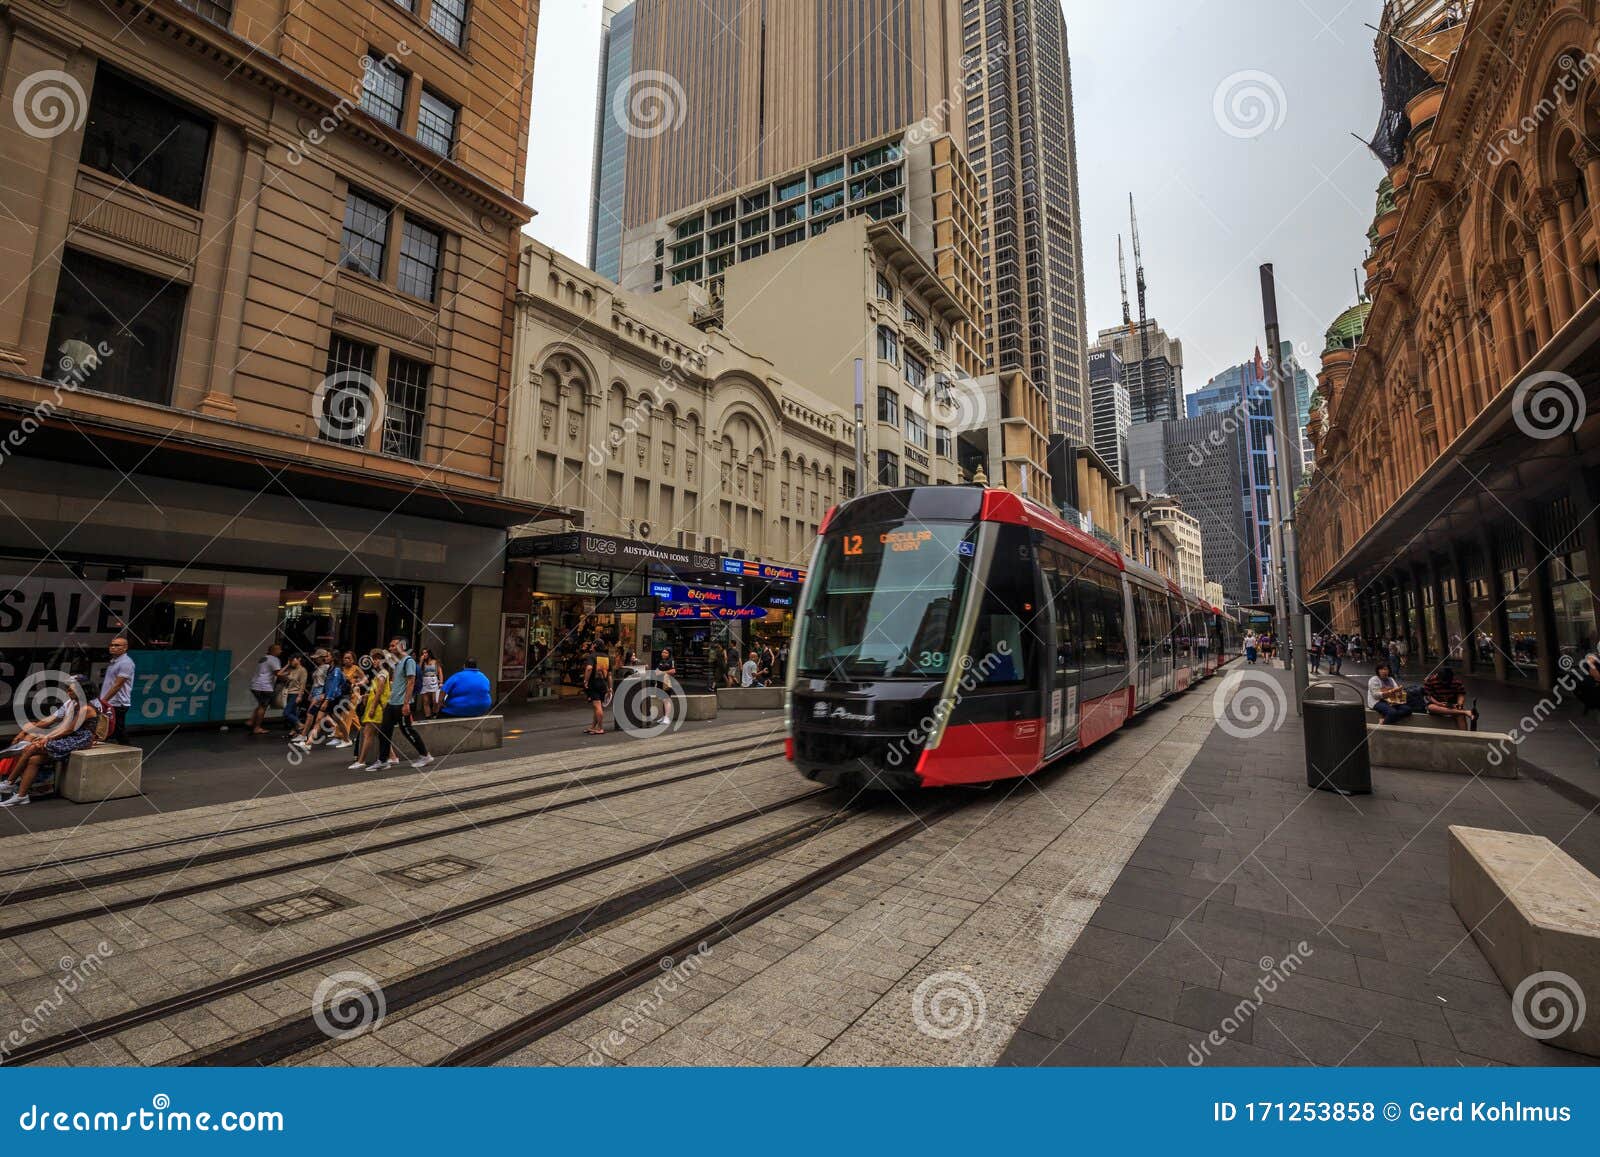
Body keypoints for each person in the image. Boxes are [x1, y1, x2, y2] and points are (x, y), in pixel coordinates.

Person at [1, 684, 101, 808]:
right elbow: (61, 727)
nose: (68, 691)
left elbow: (69, 729)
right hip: (70, 738)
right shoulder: (75, 706)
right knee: (34, 759)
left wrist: (47, 738)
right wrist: (45, 737)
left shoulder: (86, 708)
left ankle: (9, 782)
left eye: (71, 689)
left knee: (32, 748)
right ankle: (22, 796)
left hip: (80, 740)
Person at [368, 638, 433, 771]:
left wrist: (406, 703)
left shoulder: (408, 661)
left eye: (393, 646)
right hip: (392, 703)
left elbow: (411, 682)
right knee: (384, 731)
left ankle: (425, 755)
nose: (390, 648)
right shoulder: (397, 663)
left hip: (402, 703)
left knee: (407, 730)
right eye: (390, 646)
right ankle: (383, 760)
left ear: (401, 646)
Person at [349, 650, 394, 771]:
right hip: (377, 707)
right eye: (373, 659)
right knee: (381, 734)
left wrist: (373, 708)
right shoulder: (380, 673)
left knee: (368, 734)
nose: (375, 661)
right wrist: (365, 697)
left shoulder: (382, 674)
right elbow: (375, 692)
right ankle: (393, 757)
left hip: (377, 708)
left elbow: (379, 693)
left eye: (378, 658)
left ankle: (361, 761)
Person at [98, 635, 135, 745]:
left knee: (118, 731)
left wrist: (103, 701)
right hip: (110, 702)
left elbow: (117, 685)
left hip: (118, 703)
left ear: (125, 648)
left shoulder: (126, 663)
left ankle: (131, 754)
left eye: (117, 645)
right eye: (111, 645)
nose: (113, 647)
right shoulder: (114, 662)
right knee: (108, 730)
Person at [1422, 666, 1478, 731]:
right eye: (1442, 682)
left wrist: (1460, 704)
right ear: (1438, 677)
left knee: (1460, 715)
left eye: (1447, 682)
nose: (1445, 684)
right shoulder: (1430, 680)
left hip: (1452, 704)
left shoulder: (1457, 681)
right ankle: (1465, 712)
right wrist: (1439, 704)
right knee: (1431, 707)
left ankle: (1464, 736)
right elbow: (1429, 696)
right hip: (1437, 704)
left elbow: (1461, 694)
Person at [248, 644, 285, 735]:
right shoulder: (275, 659)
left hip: (255, 685)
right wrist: (287, 678)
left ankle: (251, 721)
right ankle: (257, 728)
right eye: (279, 649)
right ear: (273, 651)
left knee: (260, 704)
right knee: (263, 707)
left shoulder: (264, 658)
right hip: (265, 686)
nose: (281, 651)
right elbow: (278, 673)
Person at [584, 650, 611, 736]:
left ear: (595, 645)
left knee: (597, 706)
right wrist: (610, 687)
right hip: (603, 684)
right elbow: (609, 675)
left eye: (592, 645)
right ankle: (593, 727)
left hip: (594, 684)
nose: (591, 646)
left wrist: (586, 680)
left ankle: (600, 728)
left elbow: (589, 668)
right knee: (597, 706)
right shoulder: (607, 657)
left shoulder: (592, 656)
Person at [417, 648, 442, 718]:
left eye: (425, 653)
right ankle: (427, 716)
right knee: (426, 701)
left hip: (433, 680)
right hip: (424, 681)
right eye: (422, 653)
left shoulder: (435, 661)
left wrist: (441, 682)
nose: (424, 655)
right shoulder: (422, 662)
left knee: (435, 700)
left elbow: (440, 672)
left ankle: (435, 713)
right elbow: (418, 671)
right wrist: (421, 661)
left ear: (429, 653)